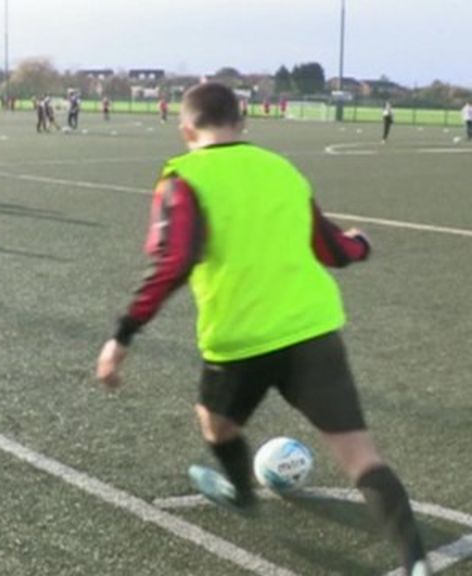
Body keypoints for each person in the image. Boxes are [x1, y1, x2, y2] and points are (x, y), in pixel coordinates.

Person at [95, 82, 431, 576]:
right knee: (361, 457)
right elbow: (332, 248)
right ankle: (416, 564)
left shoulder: (181, 178)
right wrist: (361, 244)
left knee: (215, 425)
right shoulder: (282, 169)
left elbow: (174, 261)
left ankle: (240, 490)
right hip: (313, 332)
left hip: (240, 340)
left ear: (186, 128)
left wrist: (122, 335)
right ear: (243, 120)